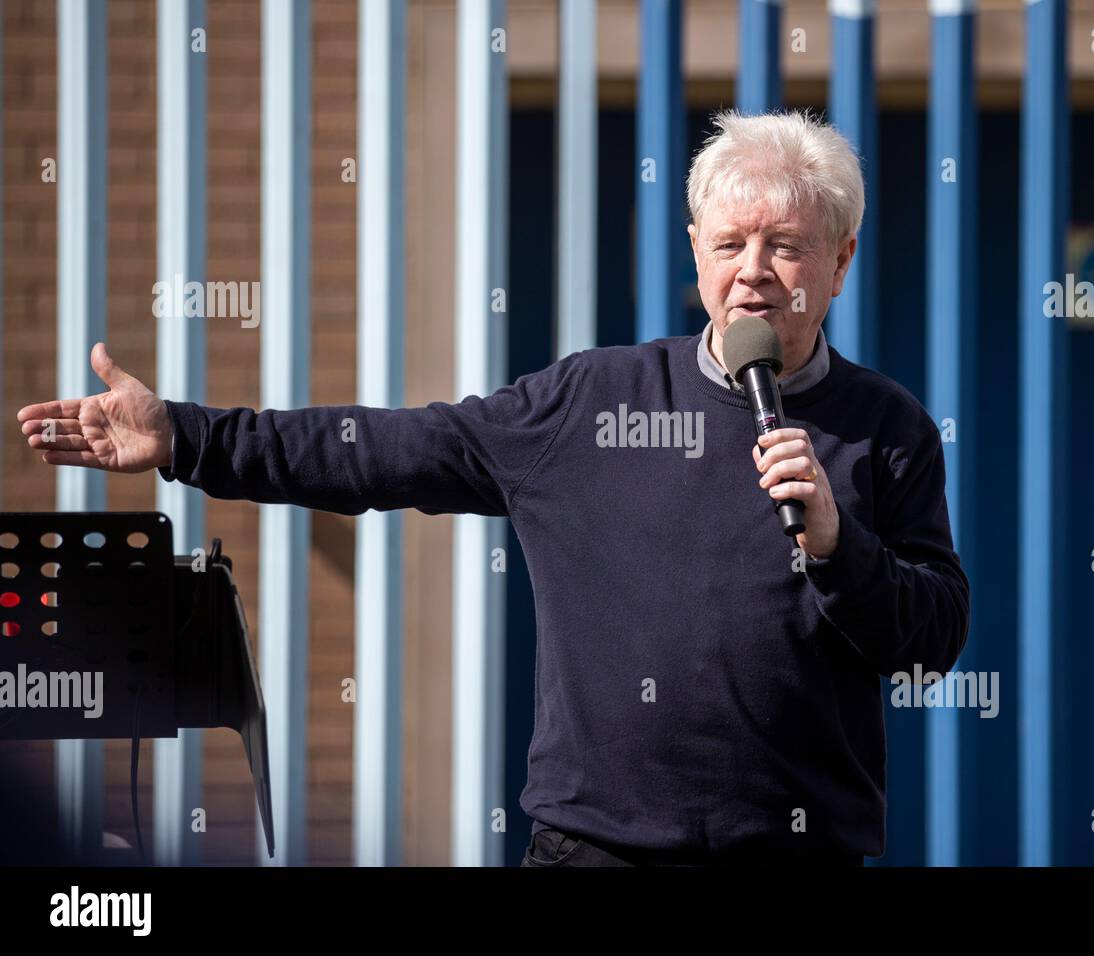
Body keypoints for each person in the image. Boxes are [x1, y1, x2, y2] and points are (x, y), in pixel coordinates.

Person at [17, 108, 969, 867]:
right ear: (695, 251)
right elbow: (381, 451)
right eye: (731, 244)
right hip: (595, 850)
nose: (754, 272)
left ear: (840, 260)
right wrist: (185, 435)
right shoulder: (593, 401)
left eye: (787, 246)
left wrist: (843, 548)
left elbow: (933, 639)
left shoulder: (887, 430)